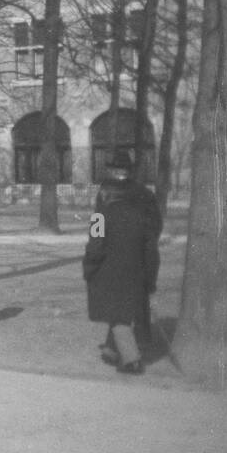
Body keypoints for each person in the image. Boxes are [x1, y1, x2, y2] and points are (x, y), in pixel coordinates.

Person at [84, 151, 161, 375]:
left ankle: (131, 360)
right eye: (118, 169)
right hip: (140, 258)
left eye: (120, 169)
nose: (118, 173)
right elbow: (155, 227)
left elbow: (97, 230)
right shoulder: (145, 194)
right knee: (125, 303)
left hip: (111, 261)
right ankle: (110, 349)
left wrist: (92, 258)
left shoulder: (105, 194)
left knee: (117, 308)